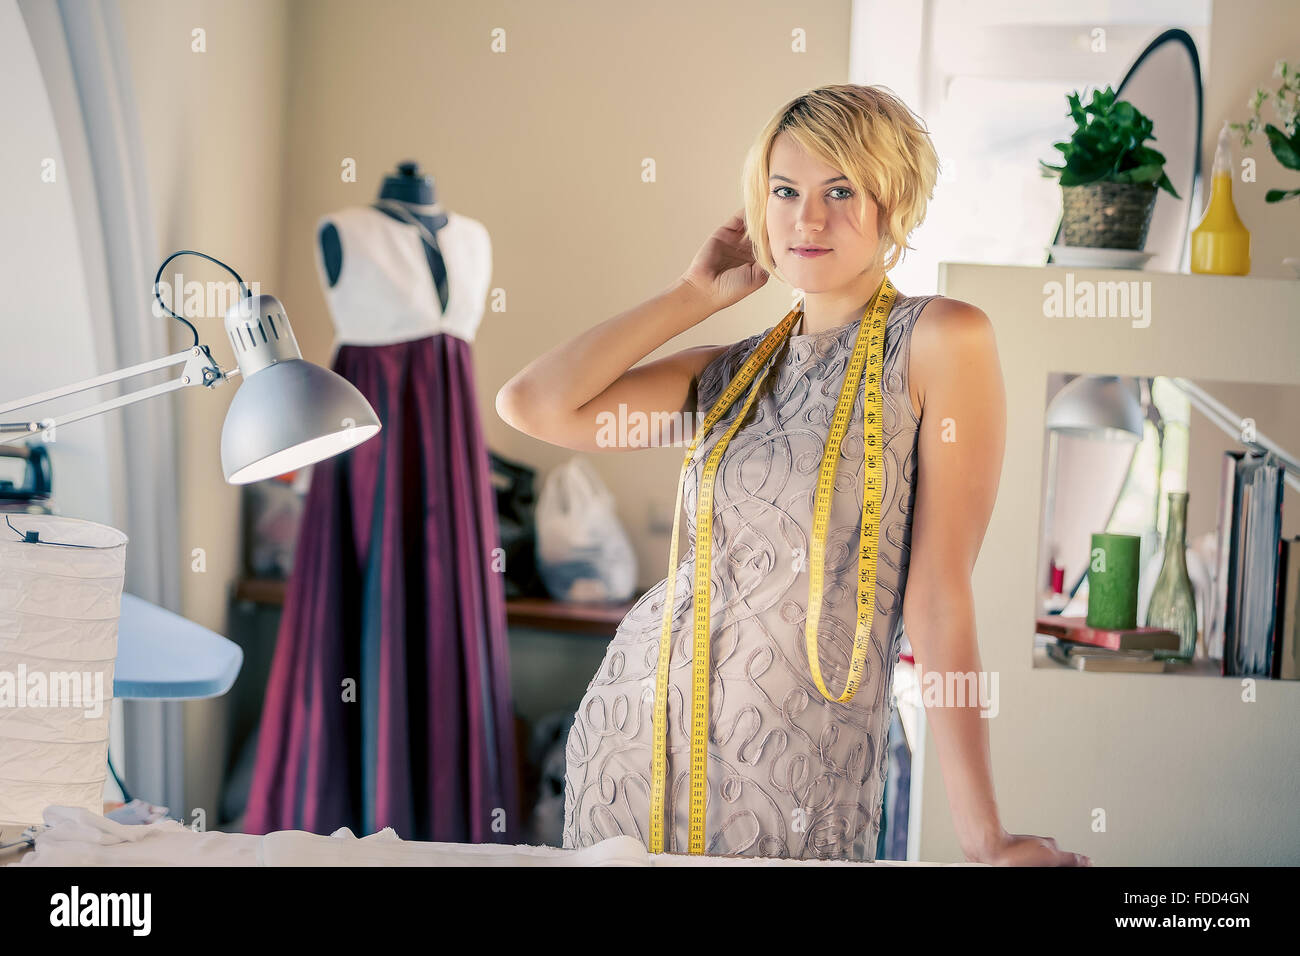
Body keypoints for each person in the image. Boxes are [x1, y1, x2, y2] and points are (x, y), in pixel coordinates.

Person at [497, 84, 1090, 866]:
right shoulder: (726, 375)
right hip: (632, 756)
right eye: (785, 192)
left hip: (797, 777)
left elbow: (940, 594)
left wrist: (985, 837)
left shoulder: (942, 341)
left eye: (840, 191)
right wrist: (690, 296)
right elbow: (533, 405)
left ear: (893, 202)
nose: (808, 219)